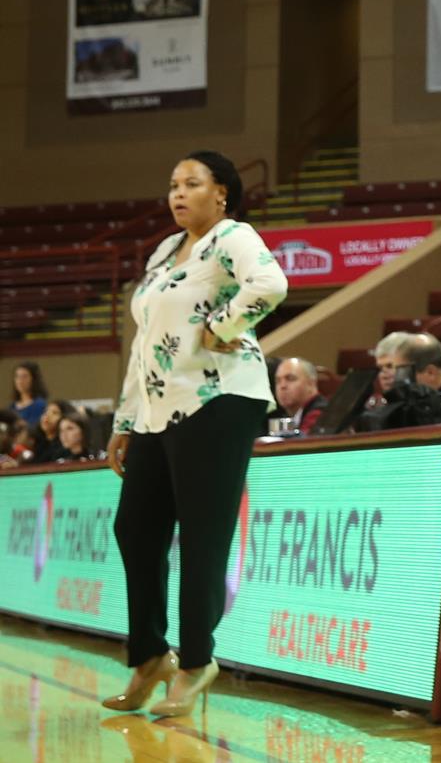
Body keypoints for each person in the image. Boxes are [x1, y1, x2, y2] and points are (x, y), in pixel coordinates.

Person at [103, 150, 285, 717]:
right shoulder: (164, 251)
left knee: (203, 537)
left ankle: (197, 660)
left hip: (220, 399)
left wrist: (222, 325)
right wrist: (124, 420)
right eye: (173, 185)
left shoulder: (232, 236)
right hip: (160, 409)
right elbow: (143, 343)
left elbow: (270, 283)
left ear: (222, 193)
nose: (178, 194)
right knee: (135, 528)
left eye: (192, 183)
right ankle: (149, 655)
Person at [271, 357, 326, 434]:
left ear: (311, 383)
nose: (282, 386)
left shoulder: (320, 414)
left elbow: (302, 444)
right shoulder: (282, 415)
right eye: (278, 381)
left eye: (290, 379)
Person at [10, 362, 48, 428]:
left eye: (24, 377)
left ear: (34, 379)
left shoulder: (39, 405)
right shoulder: (12, 406)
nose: (20, 381)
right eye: (17, 376)